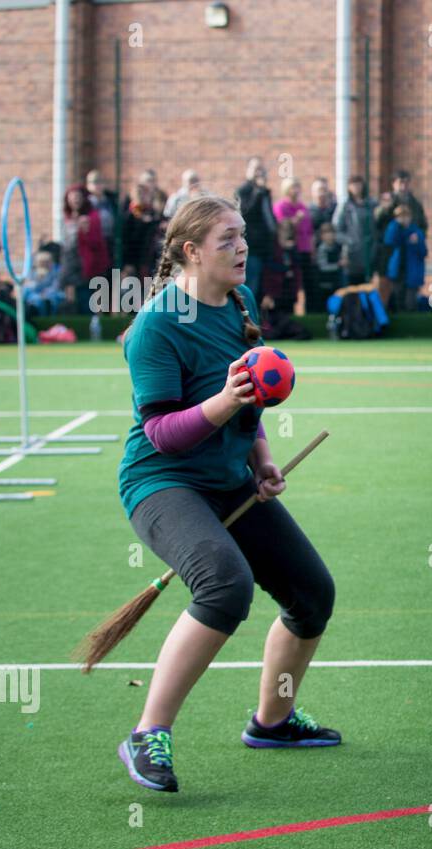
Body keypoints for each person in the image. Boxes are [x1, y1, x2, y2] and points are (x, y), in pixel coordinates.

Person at [116, 194, 338, 793]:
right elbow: (162, 434)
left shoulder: (239, 303)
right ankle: (148, 734)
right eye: (227, 240)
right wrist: (227, 402)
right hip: (162, 483)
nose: (242, 248)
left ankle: (273, 721)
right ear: (191, 252)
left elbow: (250, 405)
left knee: (312, 594)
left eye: (243, 236)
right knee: (225, 583)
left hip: (229, 479)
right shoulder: (157, 326)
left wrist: (262, 459)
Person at [61, 184, 112, 314]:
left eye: (78, 197)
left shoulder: (92, 217)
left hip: (88, 266)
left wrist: (85, 230)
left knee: (88, 302)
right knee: (71, 301)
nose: (75, 200)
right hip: (71, 263)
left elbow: (96, 242)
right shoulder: (66, 218)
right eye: (72, 197)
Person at [236, 157, 276, 301]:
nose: (259, 173)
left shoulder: (265, 192)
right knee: (249, 287)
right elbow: (245, 213)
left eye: (261, 169)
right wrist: (258, 192)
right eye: (255, 169)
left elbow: (269, 217)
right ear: (248, 171)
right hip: (250, 245)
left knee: (260, 288)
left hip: (264, 248)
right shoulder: (243, 190)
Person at [274, 178, 313, 312]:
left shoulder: (303, 206)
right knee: (289, 282)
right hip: (289, 249)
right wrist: (297, 219)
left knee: (307, 281)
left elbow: (310, 230)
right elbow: (284, 227)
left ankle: (309, 311)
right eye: (292, 187)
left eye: (297, 186)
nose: (296, 190)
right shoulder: (281, 206)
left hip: (305, 248)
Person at [382, 204, 427, 311]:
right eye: (400, 217)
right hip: (398, 271)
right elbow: (389, 240)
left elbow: (424, 252)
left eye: (406, 216)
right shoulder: (395, 230)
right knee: (398, 300)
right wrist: (396, 225)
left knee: (410, 302)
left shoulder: (416, 232)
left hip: (412, 272)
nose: (403, 219)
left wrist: (416, 243)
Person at [334, 175, 375, 286]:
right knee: (351, 289)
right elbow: (337, 230)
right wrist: (350, 241)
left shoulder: (371, 204)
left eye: (358, 184)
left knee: (366, 289)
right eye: (353, 184)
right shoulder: (345, 206)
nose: (356, 187)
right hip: (351, 256)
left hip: (368, 254)